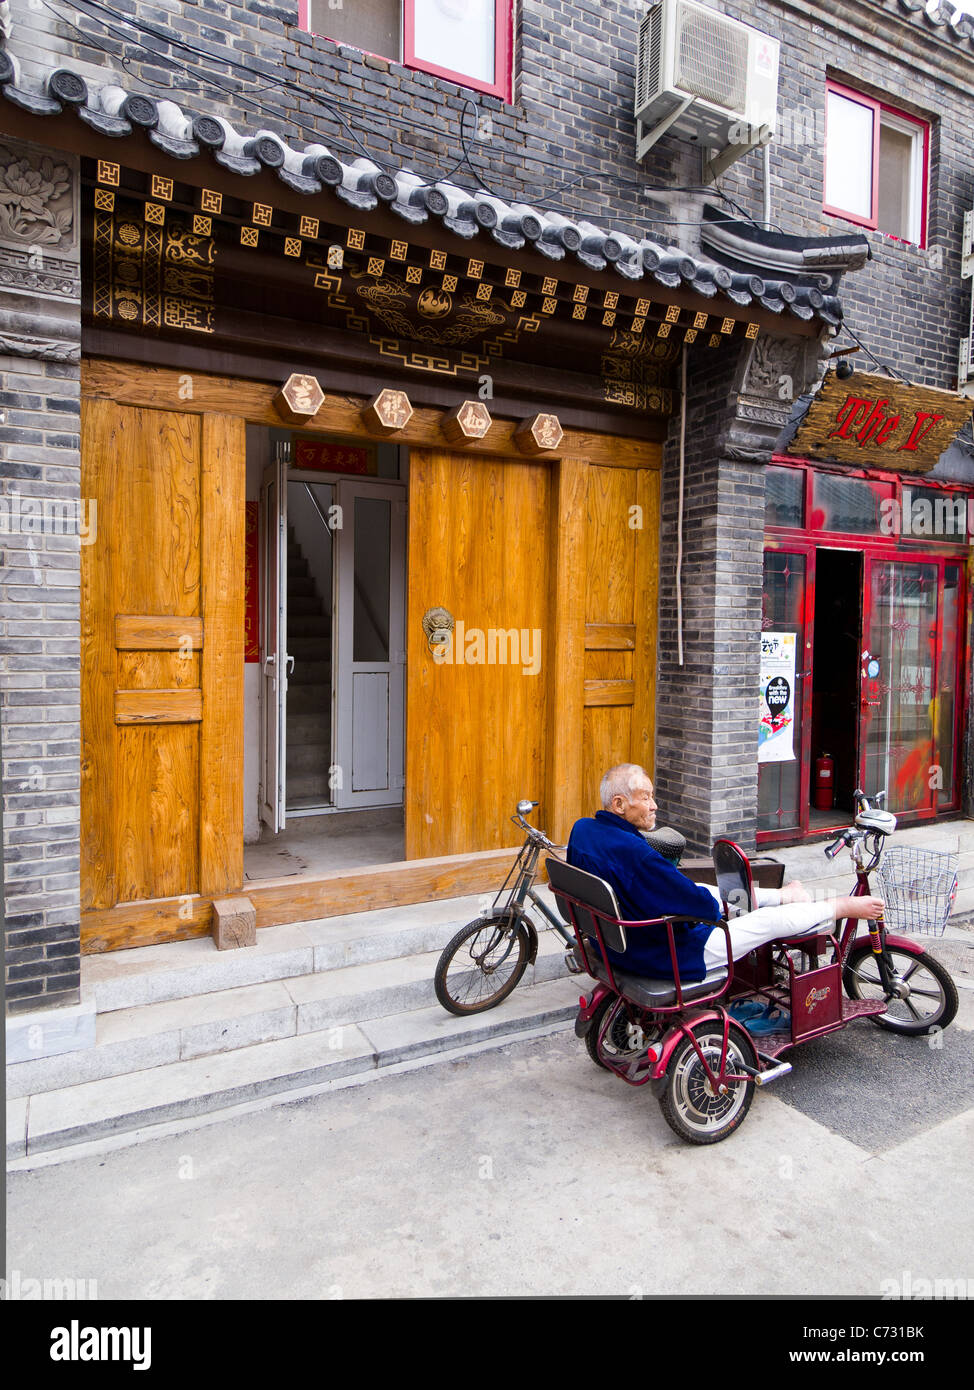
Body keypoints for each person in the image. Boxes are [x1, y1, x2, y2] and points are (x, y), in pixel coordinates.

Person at [567, 763, 884, 986]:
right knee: (765, 921)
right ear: (619, 804)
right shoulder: (638, 857)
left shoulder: (583, 831)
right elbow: (703, 909)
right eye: (646, 797)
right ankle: (839, 906)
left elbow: (679, 893)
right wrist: (716, 907)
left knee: (704, 888)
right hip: (668, 954)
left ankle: (784, 895)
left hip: (619, 945)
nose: (654, 806)